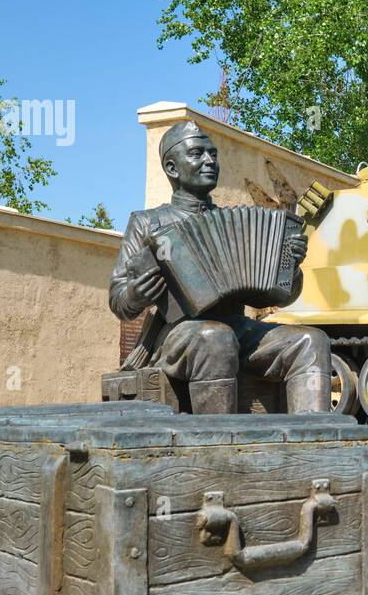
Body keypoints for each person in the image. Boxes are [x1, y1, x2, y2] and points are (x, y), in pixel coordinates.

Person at [109, 120, 330, 414]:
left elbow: (272, 295)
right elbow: (118, 299)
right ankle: (221, 442)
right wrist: (137, 292)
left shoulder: (238, 224)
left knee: (310, 340)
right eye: (197, 153)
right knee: (215, 338)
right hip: (177, 334)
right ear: (172, 168)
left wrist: (291, 268)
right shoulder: (148, 222)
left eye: (213, 154)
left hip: (237, 328)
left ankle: (313, 439)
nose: (209, 161)